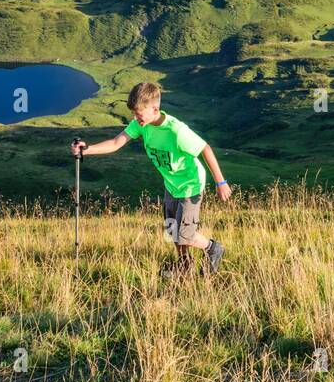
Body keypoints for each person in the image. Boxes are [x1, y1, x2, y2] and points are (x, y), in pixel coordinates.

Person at [71, 82, 231, 274]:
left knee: (184, 234)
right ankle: (184, 265)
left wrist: (221, 182)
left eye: (139, 113)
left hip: (191, 185)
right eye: (134, 113)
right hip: (171, 185)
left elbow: (205, 148)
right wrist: (87, 150)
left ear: (155, 108)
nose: (135, 117)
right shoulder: (141, 125)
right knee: (171, 229)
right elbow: (115, 143)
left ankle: (212, 248)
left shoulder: (176, 131)